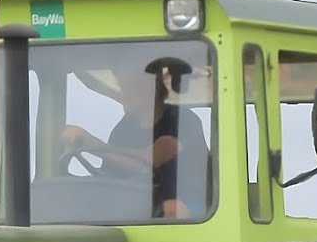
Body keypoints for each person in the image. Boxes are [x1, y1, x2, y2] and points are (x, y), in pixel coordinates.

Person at [60, 67, 210, 219]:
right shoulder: (123, 129)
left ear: (154, 86)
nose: (125, 92)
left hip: (195, 207)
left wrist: (91, 143)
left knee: (171, 209)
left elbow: (149, 160)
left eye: (132, 86)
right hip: (139, 205)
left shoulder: (182, 120)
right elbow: (109, 176)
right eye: (122, 85)